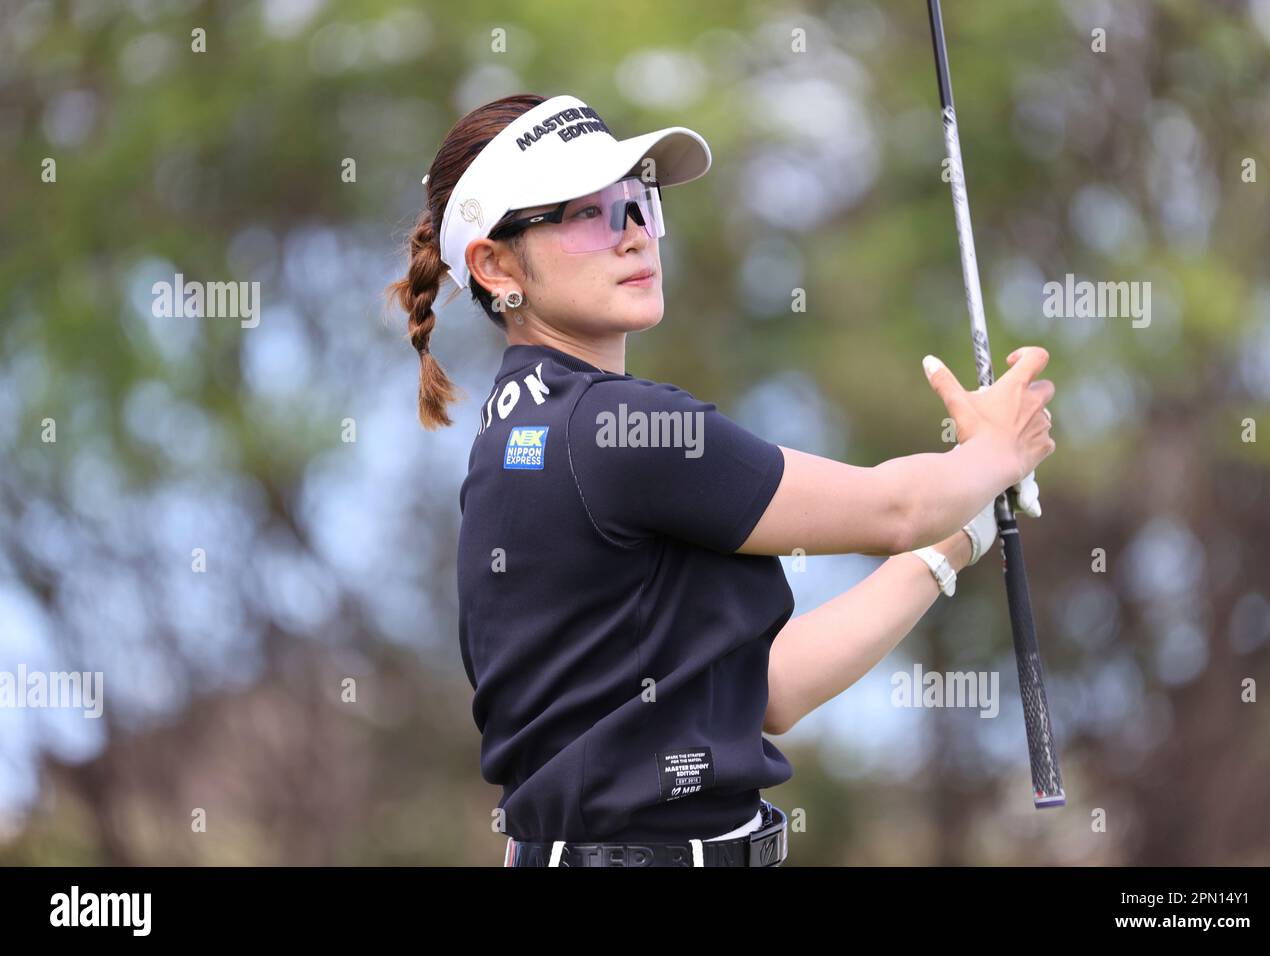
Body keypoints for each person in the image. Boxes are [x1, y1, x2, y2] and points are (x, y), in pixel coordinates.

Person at [387, 93, 1055, 867]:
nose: (633, 234)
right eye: (586, 212)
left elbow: (769, 692)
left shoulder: (522, 431)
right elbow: (895, 507)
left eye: (637, 202)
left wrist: (956, 537)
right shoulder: (613, 427)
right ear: (496, 265)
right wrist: (995, 451)